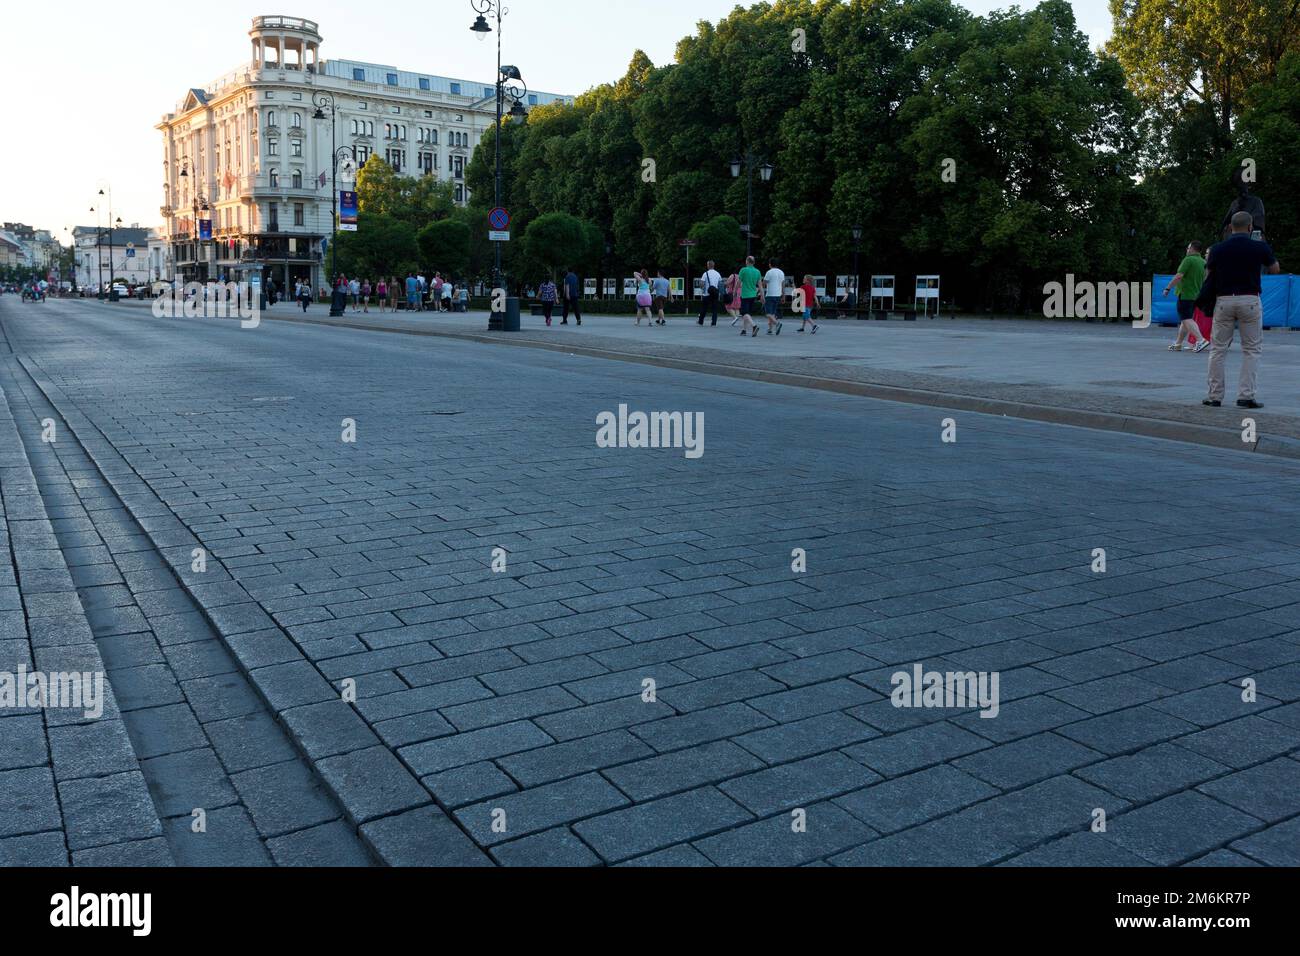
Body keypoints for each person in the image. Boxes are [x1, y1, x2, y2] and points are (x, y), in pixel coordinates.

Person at [1203, 211, 1280, 409]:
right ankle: (1246, 396)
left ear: (1230, 227)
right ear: (1250, 227)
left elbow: (1208, 274)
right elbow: (1275, 269)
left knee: (1218, 349)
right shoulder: (1259, 247)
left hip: (1224, 300)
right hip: (1250, 300)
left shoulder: (1218, 249)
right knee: (1251, 350)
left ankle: (1214, 396)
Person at [1162, 241, 1208, 352]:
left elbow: (1179, 276)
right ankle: (1178, 344)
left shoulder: (1188, 260)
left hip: (1185, 294)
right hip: (1196, 294)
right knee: (1185, 320)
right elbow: (1205, 278)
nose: (1187, 250)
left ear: (1192, 249)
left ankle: (1201, 340)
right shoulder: (1203, 262)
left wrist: (1168, 288)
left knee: (1186, 318)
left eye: (1188, 248)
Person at [737, 256, 762, 337]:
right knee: (747, 313)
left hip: (745, 295)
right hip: (753, 295)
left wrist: (734, 291)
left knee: (744, 312)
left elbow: (738, 282)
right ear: (753, 262)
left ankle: (754, 326)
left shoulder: (743, 270)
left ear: (747, 261)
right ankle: (744, 330)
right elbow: (760, 285)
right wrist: (763, 295)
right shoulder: (757, 271)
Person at [763, 258, 786, 334]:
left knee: (768, 313)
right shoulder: (781, 272)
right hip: (778, 295)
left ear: (770, 264)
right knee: (772, 313)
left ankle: (777, 324)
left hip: (770, 294)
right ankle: (770, 329)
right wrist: (783, 295)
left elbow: (764, 283)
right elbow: (783, 285)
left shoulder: (769, 272)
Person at [697, 260, 722, 326]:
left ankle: (701, 321)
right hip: (715, 294)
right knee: (715, 309)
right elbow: (720, 284)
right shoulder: (718, 273)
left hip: (707, 294)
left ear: (708, 265)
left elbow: (702, 284)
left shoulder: (705, 273)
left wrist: (701, 287)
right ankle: (713, 323)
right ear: (713, 265)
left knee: (704, 308)